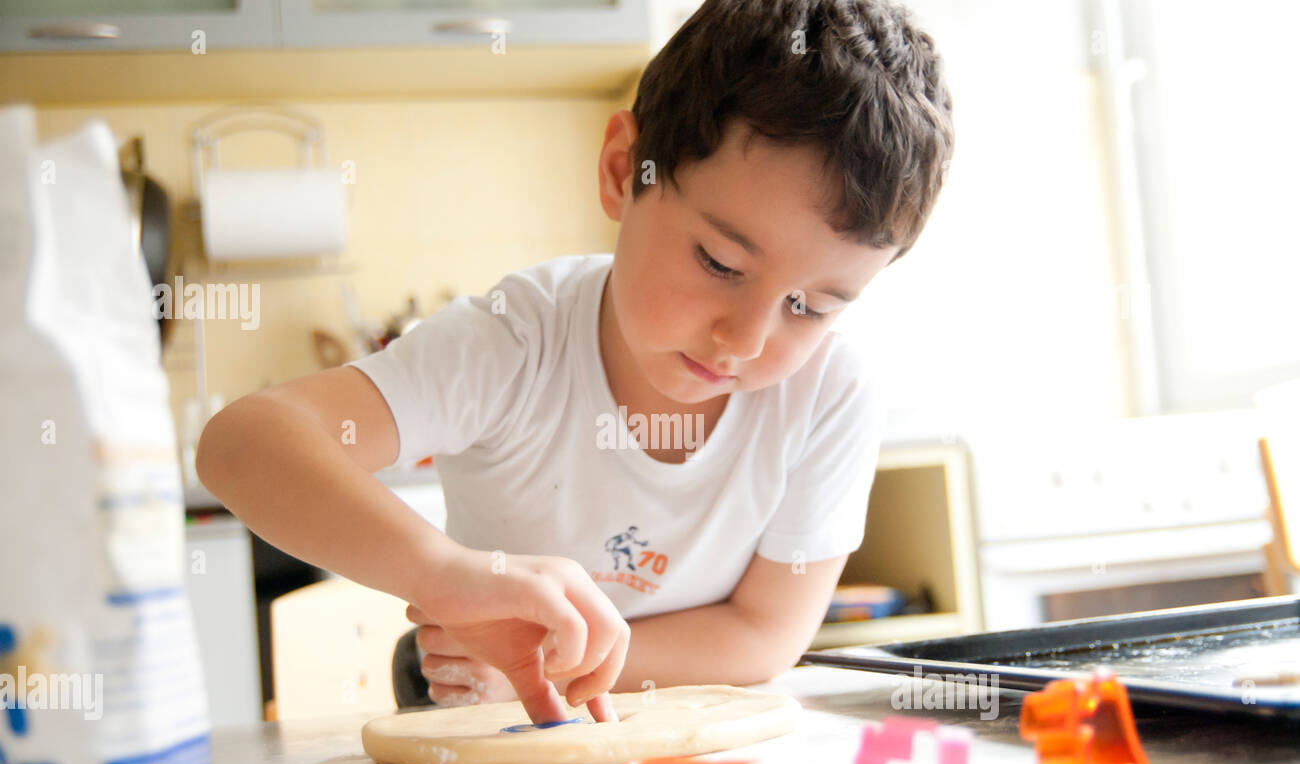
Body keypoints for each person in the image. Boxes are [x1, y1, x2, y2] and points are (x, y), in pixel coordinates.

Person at [196, 0, 955, 726]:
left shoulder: (831, 392)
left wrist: (549, 663)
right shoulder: (514, 344)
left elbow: (764, 635)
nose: (745, 340)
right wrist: (445, 576)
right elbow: (242, 443)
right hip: (509, 749)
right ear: (626, 171)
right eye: (722, 263)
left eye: (812, 307)